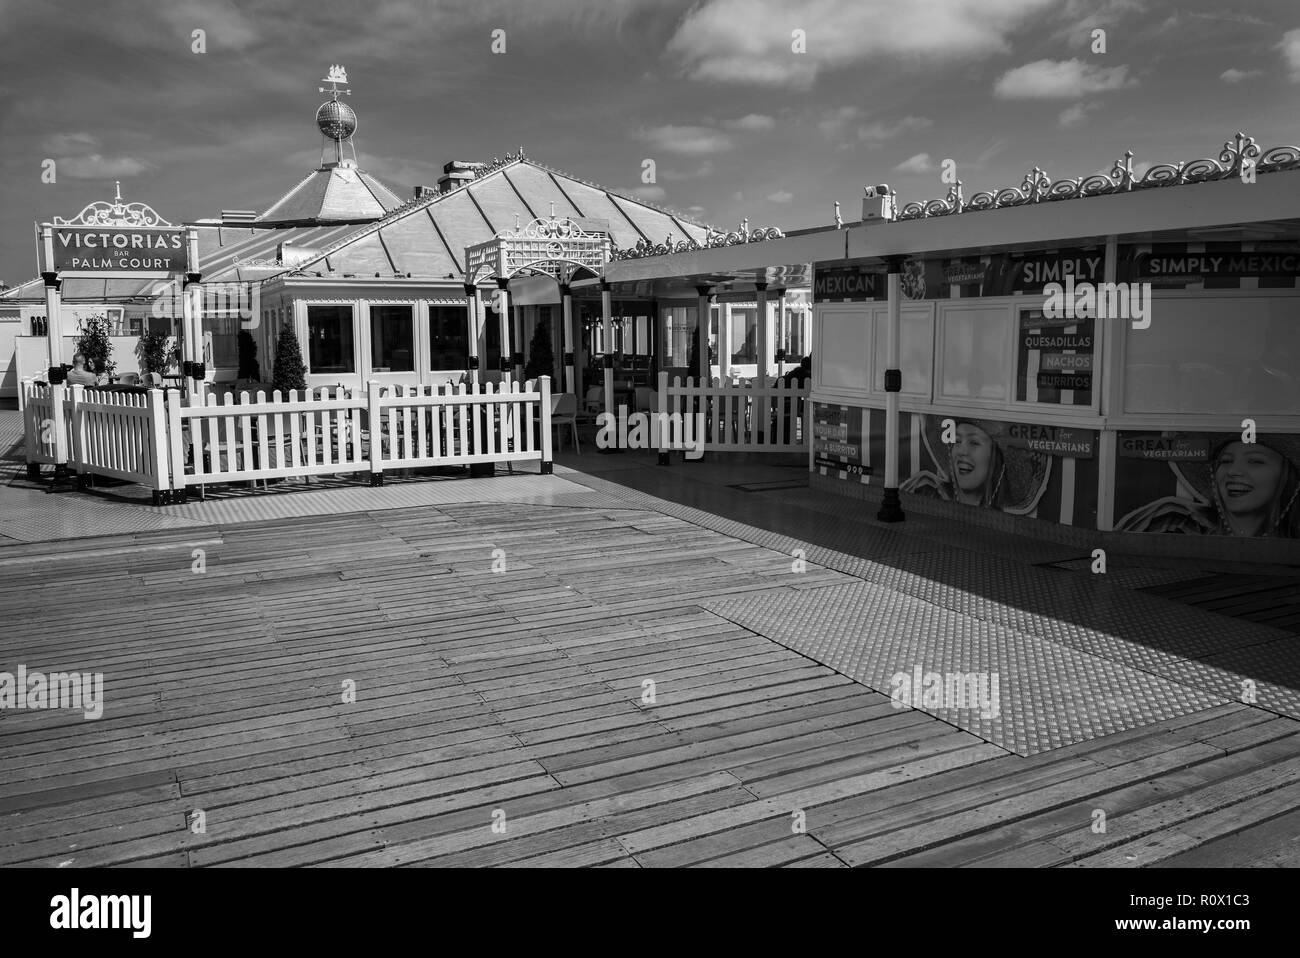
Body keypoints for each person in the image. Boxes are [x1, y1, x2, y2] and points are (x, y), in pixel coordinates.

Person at [1117, 437, 1300, 537]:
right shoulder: (1172, 519)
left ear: (1287, 476)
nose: (1233, 471)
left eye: (1255, 461)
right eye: (1226, 461)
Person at [902, 416, 1051, 514]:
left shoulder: (1000, 516)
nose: (962, 451)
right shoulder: (925, 489)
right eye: (957, 440)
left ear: (995, 455)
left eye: (974, 442)